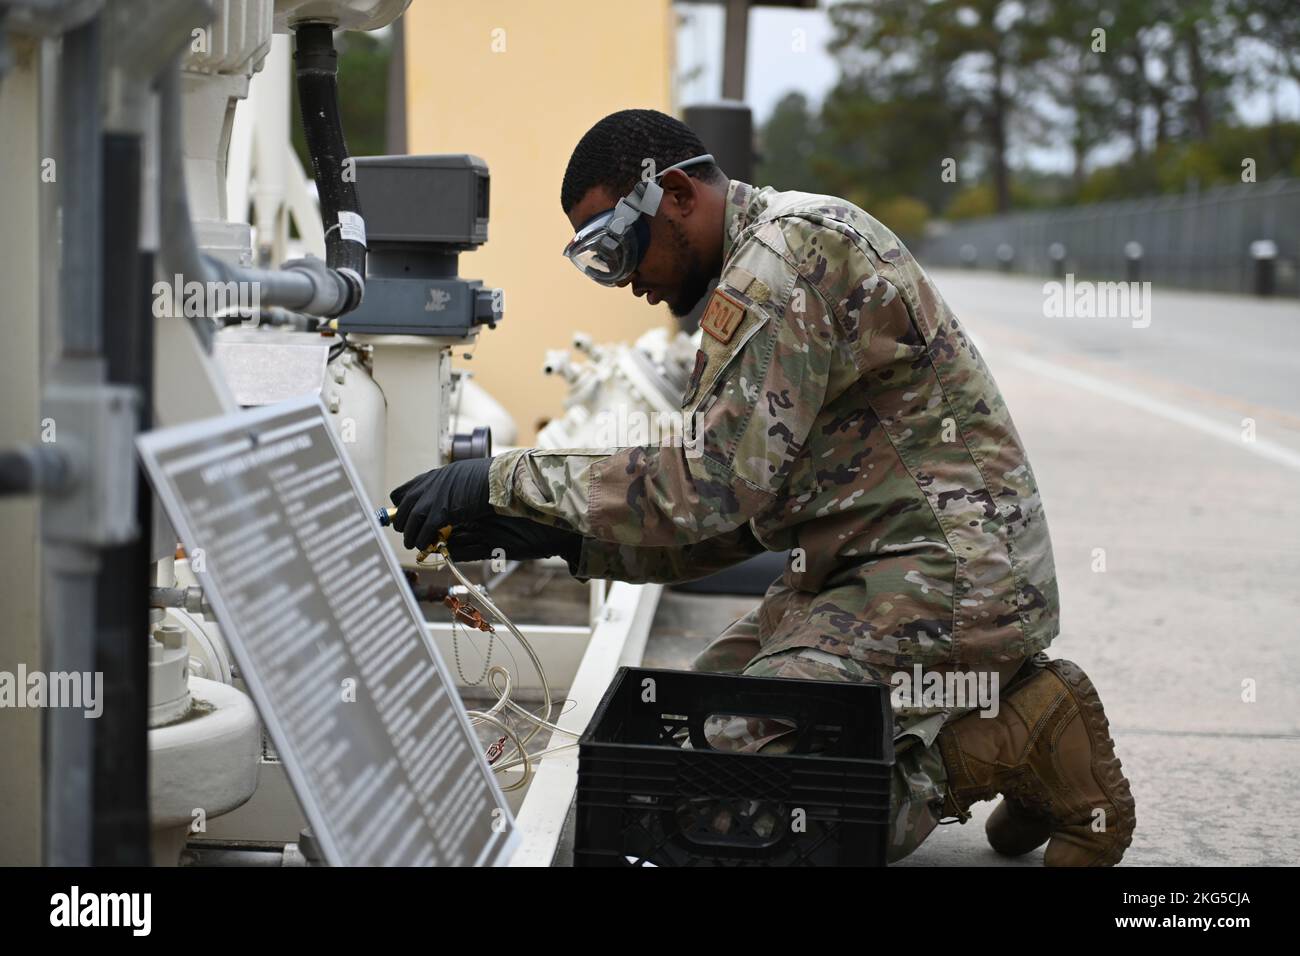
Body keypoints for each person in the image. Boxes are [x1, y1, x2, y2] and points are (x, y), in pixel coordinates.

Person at [388, 109, 1135, 865]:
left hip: (951, 581)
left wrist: (506, 479)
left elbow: (706, 487)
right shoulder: (755, 269)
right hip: (862, 570)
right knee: (684, 742)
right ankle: (1002, 715)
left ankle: (1008, 738)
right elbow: (731, 521)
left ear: (674, 193)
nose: (625, 282)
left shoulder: (786, 260)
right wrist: (557, 535)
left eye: (617, 247)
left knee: (734, 812)